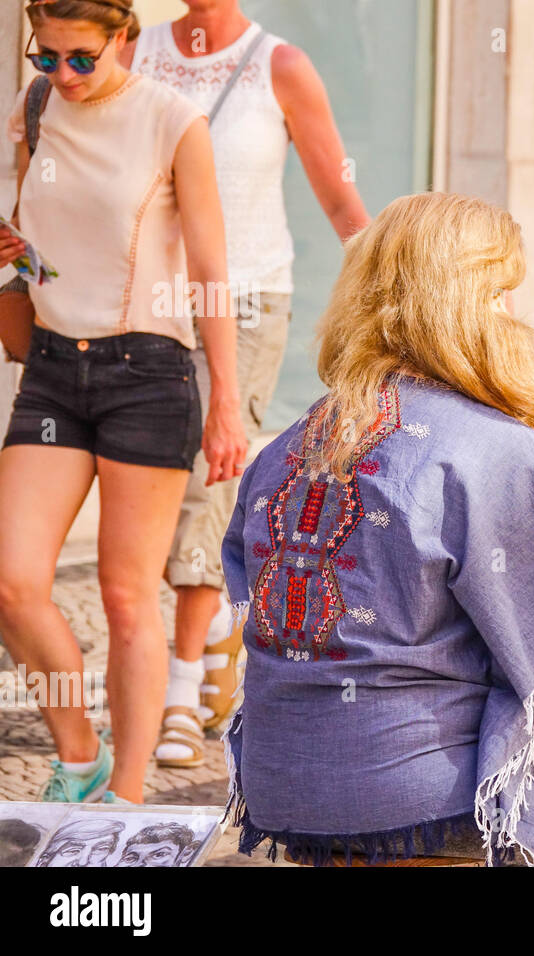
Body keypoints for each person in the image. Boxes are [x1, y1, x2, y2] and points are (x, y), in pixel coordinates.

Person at [221, 192, 534, 867]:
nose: (513, 314)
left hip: (282, 786)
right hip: (418, 796)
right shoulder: (493, 450)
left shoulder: (285, 448)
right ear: (463, 307)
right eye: (501, 295)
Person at [0, 0, 245, 805]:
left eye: (82, 59)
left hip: (148, 369)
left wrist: (226, 403)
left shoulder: (174, 123)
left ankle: (126, 801)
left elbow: (212, 269)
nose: (63, 76)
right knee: (12, 579)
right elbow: (31, 256)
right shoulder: (34, 110)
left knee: (127, 595)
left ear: (126, 42)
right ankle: (80, 756)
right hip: (51, 368)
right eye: (49, 57)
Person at [120, 0, 370, 767]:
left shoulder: (280, 66)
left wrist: (386, 283)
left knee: (207, 477)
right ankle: (220, 632)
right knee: (157, 478)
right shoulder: (136, 51)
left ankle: (182, 688)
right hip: (151, 297)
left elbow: (336, 195)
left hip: (250, 299)